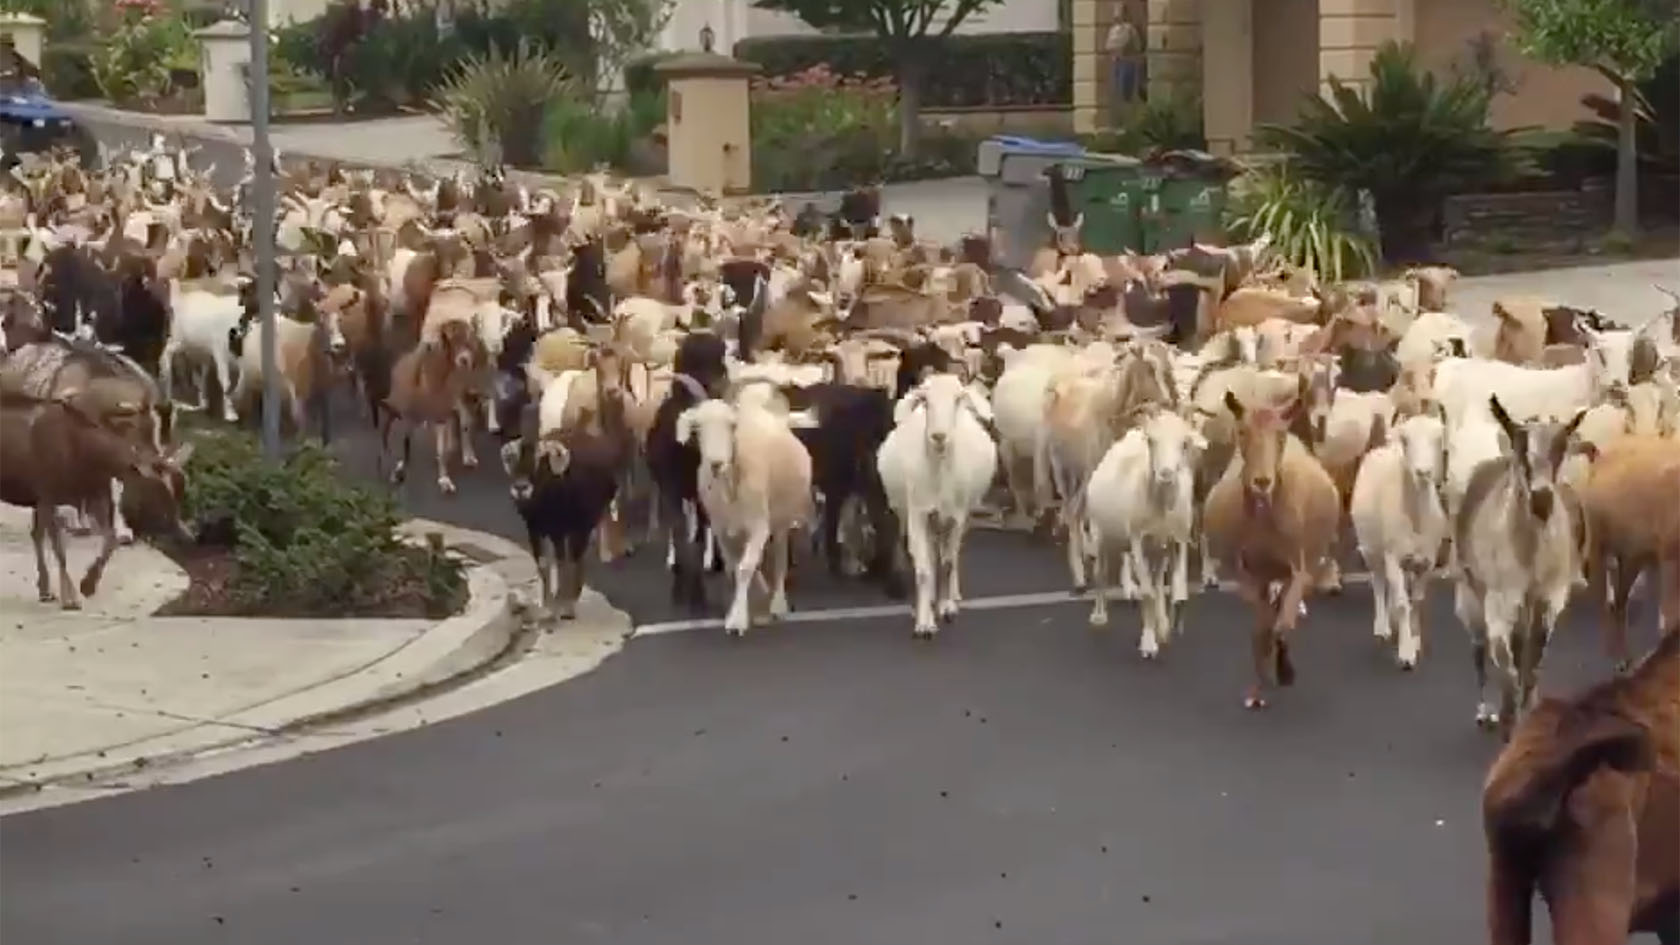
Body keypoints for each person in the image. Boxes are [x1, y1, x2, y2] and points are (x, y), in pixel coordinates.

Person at [1105, 5, 1143, 118]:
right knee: (1117, 91)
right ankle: (1120, 118)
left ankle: (1129, 117)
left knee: (1126, 92)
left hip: (1127, 62)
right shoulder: (1114, 30)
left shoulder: (1130, 29)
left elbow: (1137, 46)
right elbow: (1109, 46)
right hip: (1116, 62)